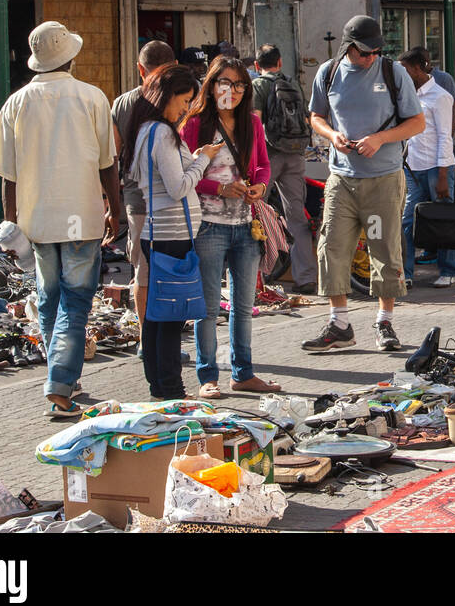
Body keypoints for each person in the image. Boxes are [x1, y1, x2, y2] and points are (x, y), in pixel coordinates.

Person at [0, 22, 122, 419]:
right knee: (75, 301)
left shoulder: (16, 103)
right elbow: (107, 165)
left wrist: (11, 226)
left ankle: (64, 376)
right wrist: (113, 209)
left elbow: (7, 177)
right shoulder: (92, 97)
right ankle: (61, 388)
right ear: (71, 57)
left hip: (37, 221)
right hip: (81, 216)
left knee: (50, 300)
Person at [304, 15, 423, 352]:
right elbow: (316, 115)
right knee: (331, 247)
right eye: (364, 52)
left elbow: (417, 123)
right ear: (348, 47)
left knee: (383, 248)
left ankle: (384, 322)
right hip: (342, 178)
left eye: (375, 52)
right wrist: (331, 136)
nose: (371, 58)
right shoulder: (328, 72)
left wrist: (380, 139)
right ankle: (339, 323)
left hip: (383, 180)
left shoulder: (392, 72)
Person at [181, 56, 281, 397]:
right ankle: (207, 377)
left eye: (239, 84)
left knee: (243, 307)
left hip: (246, 224)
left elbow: (264, 166)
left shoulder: (252, 123)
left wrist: (260, 187)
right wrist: (218, 188)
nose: (233, 91)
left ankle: (243, 373)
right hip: (208, 226)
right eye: (225, 83)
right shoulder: (195, 124)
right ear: (212, 85)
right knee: (208, 307)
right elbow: (184, 177)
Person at [125, 65, 222, 400]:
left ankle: (161, 386)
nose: (185, 108)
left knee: (157, 315)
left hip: (161, 233)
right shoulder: (161, 134)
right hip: (170, 235)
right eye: (183, 100)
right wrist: (203, 159)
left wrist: (193, 159)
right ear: (165, 96)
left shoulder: (146, 131)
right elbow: (179, 187)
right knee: (169, 317)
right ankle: (172, 389)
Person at [111, 40, 177, 344]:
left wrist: (112, 202)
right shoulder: (181, 99)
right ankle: (166, 340)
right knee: (174, 271)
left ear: (140, 69)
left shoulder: (123, 103)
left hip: (138, 201)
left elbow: (113, 156)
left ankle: (147, 338)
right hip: (177, 200)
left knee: (143, 271)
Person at [250, 44, 315, 295]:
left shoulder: (259, 85)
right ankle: (306, 277)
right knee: (296, 215)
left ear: (257, 66)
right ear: (279, 62)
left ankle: (256, 277)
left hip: (269, 156)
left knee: (257, 214)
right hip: (295, 155)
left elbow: (255, 121)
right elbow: (305, 119)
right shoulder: (293, 84)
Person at [400, 48, 455, 289]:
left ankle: (449, 270)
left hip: (437, 168)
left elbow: (446, 136)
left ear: (416, 69)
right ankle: (405, 272)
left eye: (404, 70)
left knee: (444, 220)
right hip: (413, 168)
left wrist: (443, 175)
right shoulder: (407, 95)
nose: (400, 75)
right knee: (407, 221)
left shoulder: (440, 96)